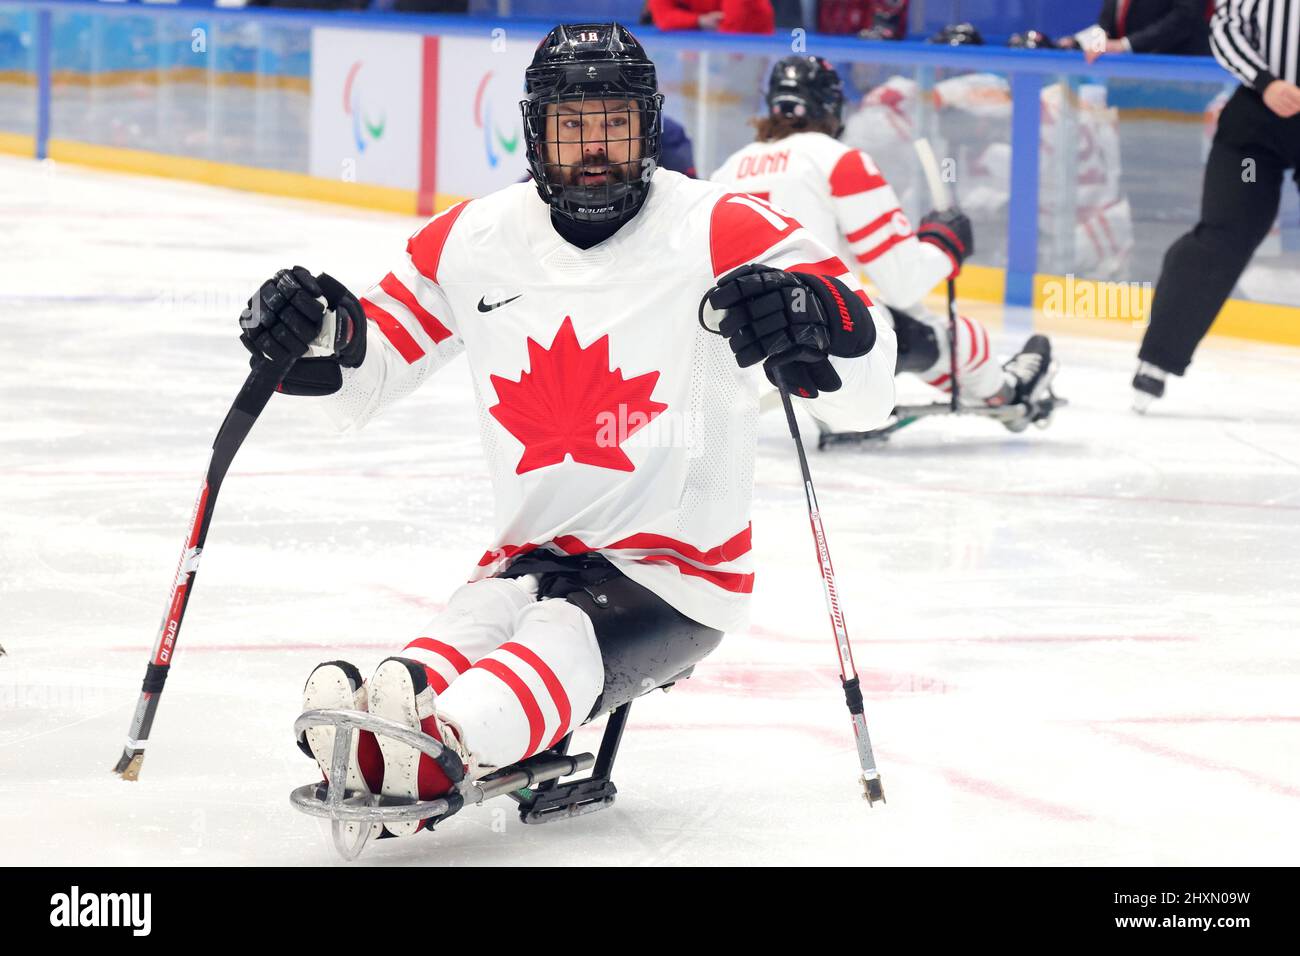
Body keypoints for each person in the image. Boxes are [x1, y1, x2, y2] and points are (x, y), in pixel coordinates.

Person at [238, 23, 895, 840]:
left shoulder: (724, 227)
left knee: (562, 632)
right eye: (571, 124)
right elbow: (365, 370)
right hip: (529, 552)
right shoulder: (470, 239)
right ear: (534, 130)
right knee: (476, 620)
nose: (593, 147)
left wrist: (820, 316)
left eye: (613, 122)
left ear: (648, 127)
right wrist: (315, 333)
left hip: (677, 569)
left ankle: (441, 746)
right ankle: (385, 718)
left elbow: (870, 383)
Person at [711, 55, 1058, 431]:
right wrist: (945, 245)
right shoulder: (837, 160)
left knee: (888, 319)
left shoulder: (726, 170)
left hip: (739, 355)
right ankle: (1006, 392)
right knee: (932, 334)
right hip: (818, 348)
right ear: (831, 106)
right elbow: (902, 281)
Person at [1133, 0, 1300, 410]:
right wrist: (1267, 82)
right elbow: (1225, 28)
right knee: (1227, 230)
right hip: (1258, 131)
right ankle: (1159, 358)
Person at [1059, 0, 1211, 62]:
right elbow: (1107, 23)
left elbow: (1186, 17)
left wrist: (1125, 45)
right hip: (1125, 84)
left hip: (1177, 77)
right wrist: (1081, 42)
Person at [647, 0, 775, 33]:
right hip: (707, 39)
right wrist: (699, 20)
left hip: (752, 40)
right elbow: (663, 18)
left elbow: (732, 24)